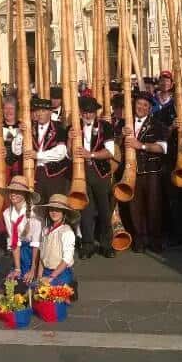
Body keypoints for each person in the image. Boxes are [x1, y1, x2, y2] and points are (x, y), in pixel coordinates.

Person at [123, 91, 168, 253]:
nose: (141, 107)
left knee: (154, 206)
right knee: (135, 206)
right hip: (131, 171)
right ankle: (140, 239)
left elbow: (163, 148)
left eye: (145, 105)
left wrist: (141, 145)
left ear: (149, 108)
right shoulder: (125, 123)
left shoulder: (157, 124)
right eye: (139, 104)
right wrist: (120, 136)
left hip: (151, 170)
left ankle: (155, 240)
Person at [75, 96, 115, 259]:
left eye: (91, 112)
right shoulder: (74, 126)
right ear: (81, 112)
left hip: (100, 172)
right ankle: (87, 245)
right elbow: (69, 154)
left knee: (105, 210)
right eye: (85, 112)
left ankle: (106, 244)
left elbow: (110, 151)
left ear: (95, 112)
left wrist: (90, 154)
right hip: (81, 173)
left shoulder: (106, 126)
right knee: (86, 210)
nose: (88, 115)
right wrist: (70, 138)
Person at [14, 97, 68, 203]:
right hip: (33, 174)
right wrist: (20, 134)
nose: (39, 114)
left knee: (55, 205)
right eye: (37, 111)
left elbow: (61, 153)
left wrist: (38, 155)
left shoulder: (59, 128)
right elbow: (17, 151)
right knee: (36, 206)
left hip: (54, 175)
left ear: (50, 112)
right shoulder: (29, 128)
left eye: (43, 111)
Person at [0, 176, 42, 285]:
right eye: (12, 191)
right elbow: (14, 241)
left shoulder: (35, 212)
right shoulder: (7, 213)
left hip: (36, 254)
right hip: (19, 253)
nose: (13, 194)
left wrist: (33, 269)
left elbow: (36, 243)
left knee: (30, 282)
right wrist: (17, 269)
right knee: (13, 280)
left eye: (18, 191)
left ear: (25, 194)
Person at [34, 194, 78, 286]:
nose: (54, 212)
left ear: (64, 212)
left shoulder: (66, 231)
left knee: (51, 293)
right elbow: (42, 256)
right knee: (34, 289)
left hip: (61, 273)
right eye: (51, 209)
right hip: (46, 272)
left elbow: (67, 259)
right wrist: (39, 276)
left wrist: (51, 277)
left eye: (58, 210)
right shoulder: (45, 230)